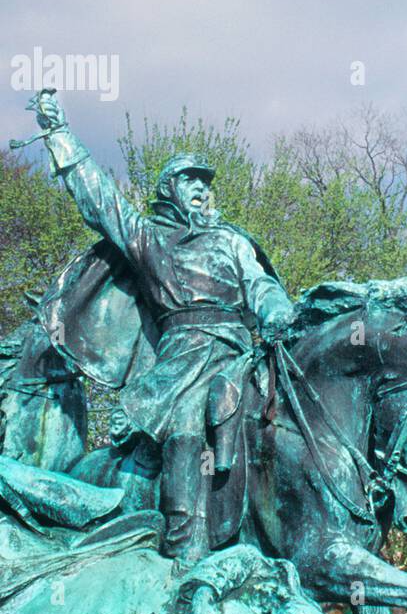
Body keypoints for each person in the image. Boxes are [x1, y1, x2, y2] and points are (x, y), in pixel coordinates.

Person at [33, 92, 295, 562]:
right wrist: (60, 136)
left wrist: (277, 310)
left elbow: (260, 286)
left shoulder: (232, 241)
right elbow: (101, 201)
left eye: (205, 182)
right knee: (189, 423)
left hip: (242, 351)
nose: (202, 189)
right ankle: (183, 544)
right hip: (184, 361)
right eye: (190, 180)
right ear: (169, 189)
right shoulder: (150, 239)